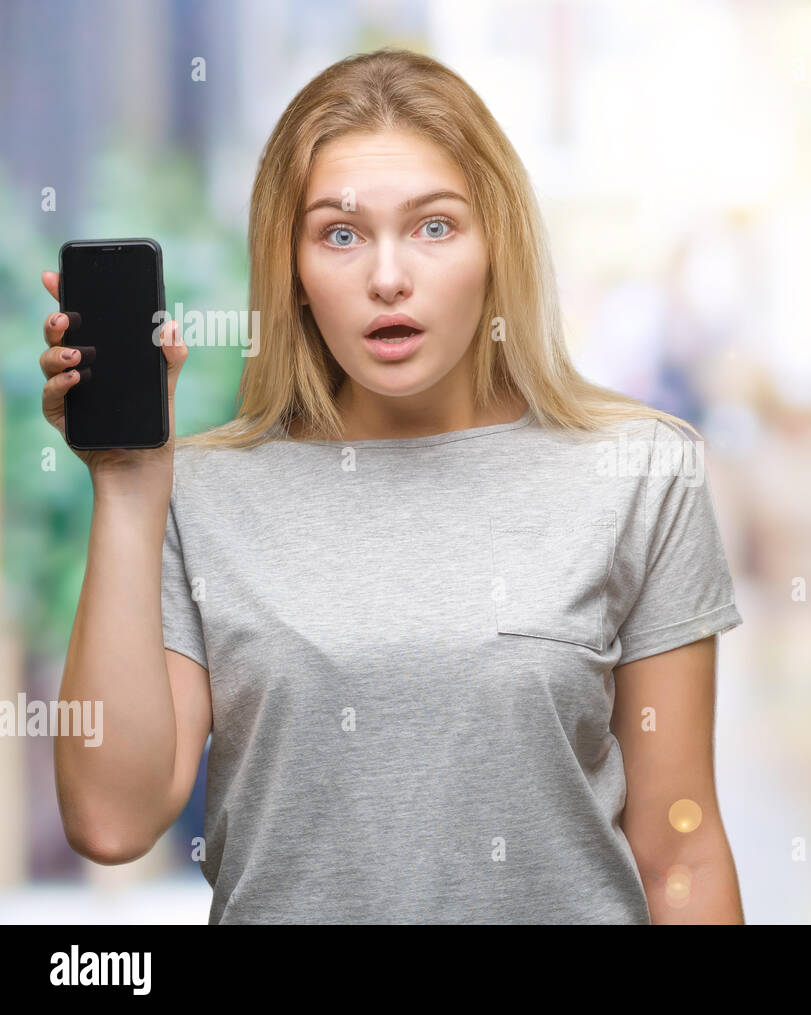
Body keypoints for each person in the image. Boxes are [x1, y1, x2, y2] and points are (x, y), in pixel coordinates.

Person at [45, 48, 744, 925]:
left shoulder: (640, 472)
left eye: (434, 226)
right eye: (340, 233)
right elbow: (111, 818)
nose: (387, 276)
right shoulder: (201, 491)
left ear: (498, 245)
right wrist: (126, 487)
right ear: (291, 272)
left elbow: (680, 848)